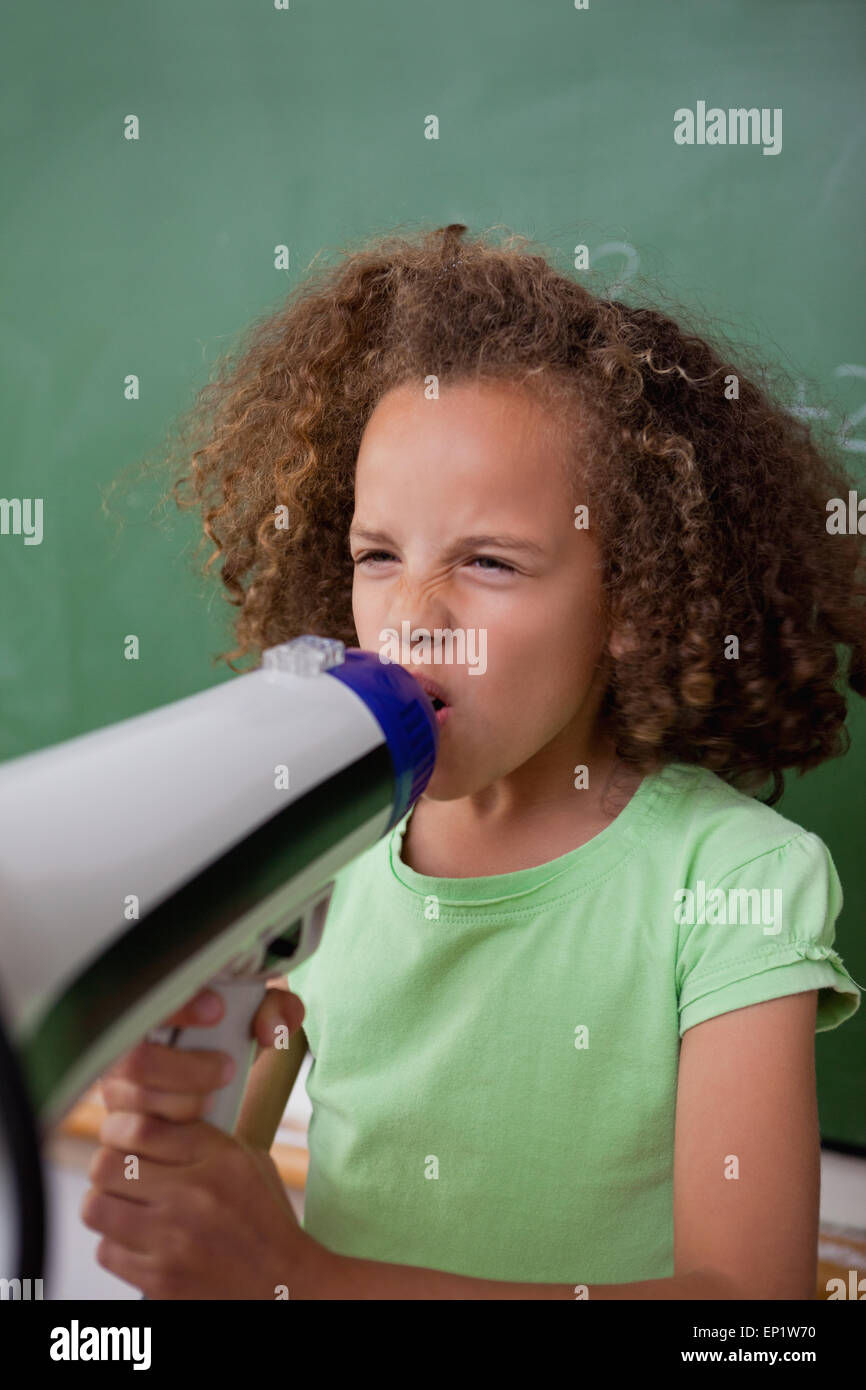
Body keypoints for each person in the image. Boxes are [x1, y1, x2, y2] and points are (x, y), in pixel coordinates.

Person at [82, 223, 864, 1299]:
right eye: (375, 556)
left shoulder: (730, 882)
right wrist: (174, 1144)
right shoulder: (321, 842)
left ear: (628, 602)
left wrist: (303, 1280)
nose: (412, 621)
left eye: (488, 561)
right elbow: (227, 1215)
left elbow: (745, 1314)